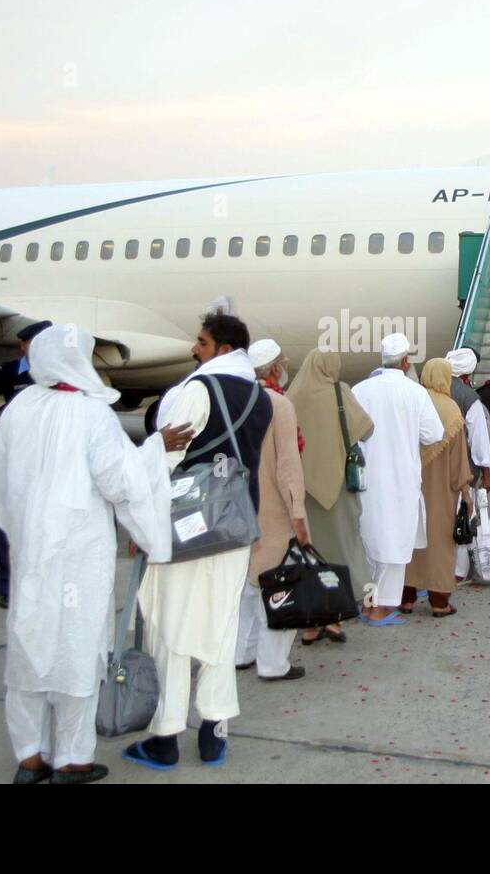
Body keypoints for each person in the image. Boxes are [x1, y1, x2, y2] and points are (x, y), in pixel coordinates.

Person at [0, 323, 173, 784]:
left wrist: (28, 520)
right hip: (80, 556)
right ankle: (72, 759)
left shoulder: (18, 407)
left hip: (32, 556)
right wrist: (157, 451)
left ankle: (29, 757)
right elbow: (121, 483)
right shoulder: (92, 415)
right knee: (78, 651)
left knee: (30, 649)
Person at [125, 313, 272, 771]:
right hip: (233, 525)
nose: (195, 349)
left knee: (171, 628)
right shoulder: (260, 396)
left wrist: (140, 525)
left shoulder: (198, 389)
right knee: (220, 625)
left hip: (185, 526)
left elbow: (165, 461)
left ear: (224, 349)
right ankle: (214, 731)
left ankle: (166, 736)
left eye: (202, 343)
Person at [350, 333, 445, 625]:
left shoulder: (359, 389)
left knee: (367, 540)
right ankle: (380, 608)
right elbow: (434, 434)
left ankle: (366, 603)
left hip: (366, 478)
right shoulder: (415, 392)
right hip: (401, 479)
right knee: (393, 544)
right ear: (405, 361)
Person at [234, 339, 310, 682]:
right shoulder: (279, 404)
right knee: (279, 586)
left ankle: (240, 653)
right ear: (275, 368)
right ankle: (273, 663)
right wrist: (299, 516)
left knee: (246, 585)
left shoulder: (236, 400)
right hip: (274, 510)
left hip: (240, 506)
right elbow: (288, 467)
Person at [288, 348, 374, 646]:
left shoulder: (292, 396)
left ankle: (311, 624)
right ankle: (334, 618)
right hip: (337, 487)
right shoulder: (341, 391)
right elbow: (367, 429)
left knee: (307, 555)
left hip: (302, 490)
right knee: (338, 553)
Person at [0, 318, 52, 608]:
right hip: (15, 459)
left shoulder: (53, 372)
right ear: (24, 345)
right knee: (9, 521)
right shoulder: (9, 372)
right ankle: (5, 586)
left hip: (44, 457)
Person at [402, 359, 474, 617]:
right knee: (440, 543)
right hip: (442, 491)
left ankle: (406, 598)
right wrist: (465, 491)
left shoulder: (413, 402)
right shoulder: (451, 409)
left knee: (410, 540)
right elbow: (459, 461)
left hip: (410, 487)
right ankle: (439, 602)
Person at [445, 347, 490, 583]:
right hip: (463, 471)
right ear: (468, 374)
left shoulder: (428, 391)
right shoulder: (469, 398)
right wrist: (486, 474)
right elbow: (479, 441)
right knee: (462, 518)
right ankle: (458, 572)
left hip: (431, 471)